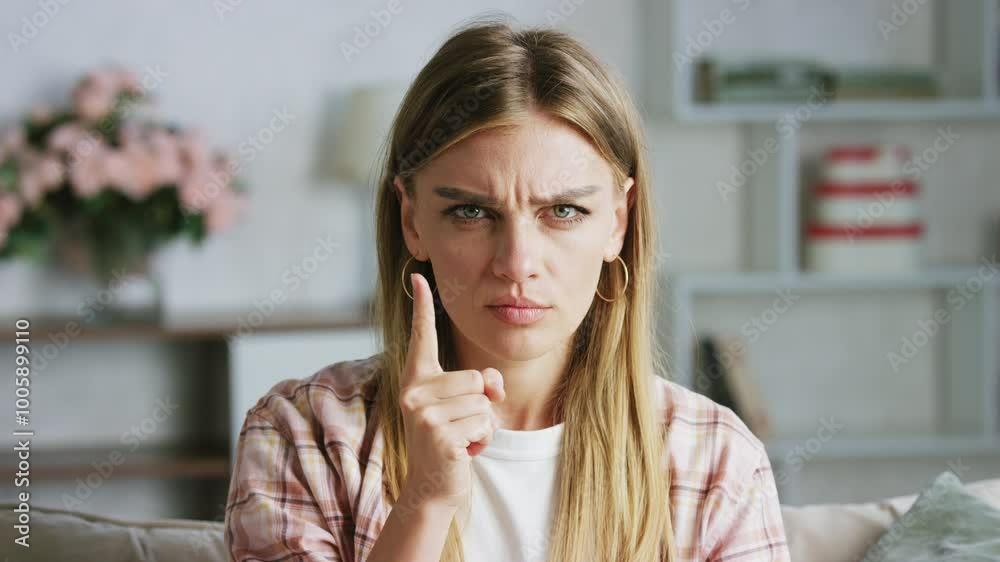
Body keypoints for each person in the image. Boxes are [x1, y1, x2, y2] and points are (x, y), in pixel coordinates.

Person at [225, 16, 790, 562]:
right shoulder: (302, 436)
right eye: (471, 211)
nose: (517, 263)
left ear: (618, 221)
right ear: (412, 221)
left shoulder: (715, 460)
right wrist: (424, 500)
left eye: (564, 211)